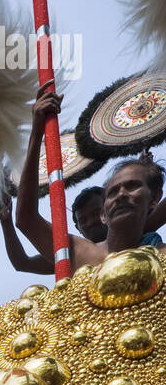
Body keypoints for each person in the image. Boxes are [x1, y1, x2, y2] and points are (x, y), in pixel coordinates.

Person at [16, 86, 166, 270]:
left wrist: (148, 169)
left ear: (154, 198)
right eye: (112, 192)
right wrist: (37, 130)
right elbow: (26, 219)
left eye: (133, 185)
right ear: (104, 213)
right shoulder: (80, 254)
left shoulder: (161, 256)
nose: (121, 194)